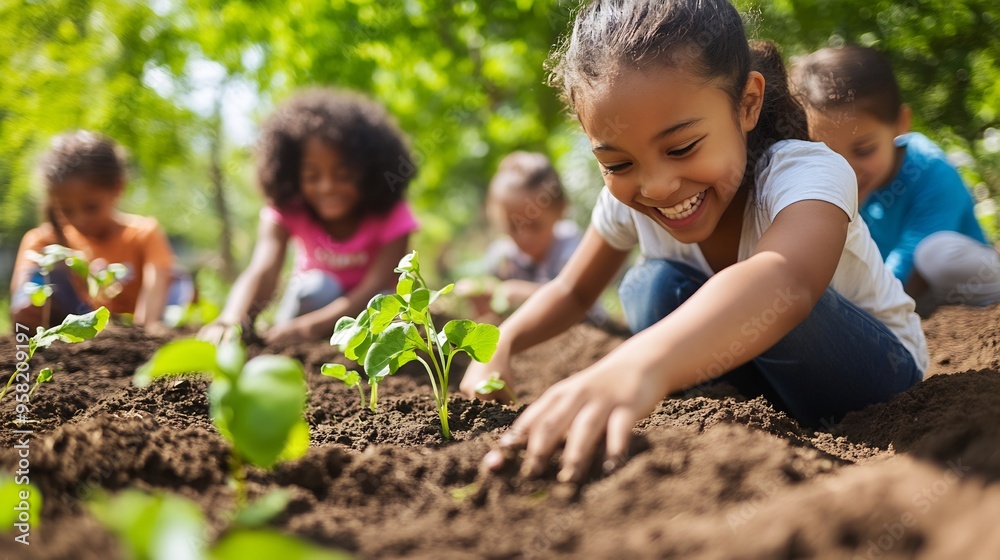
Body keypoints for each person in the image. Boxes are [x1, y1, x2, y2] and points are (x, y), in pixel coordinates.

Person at [459, 0, 927, 483]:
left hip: (876, 382)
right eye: (618, 164)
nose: (656, 185)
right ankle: (728, 410)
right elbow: (572, 291)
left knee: (760, 300)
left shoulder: (806, 172)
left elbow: (786, 282)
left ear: (746, 104)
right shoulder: (627, 203)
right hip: (763, 387)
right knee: (651, 283)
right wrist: (501, 344)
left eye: (681, 147)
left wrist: (638, 365)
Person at [792, 44, 1000, 316]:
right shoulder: (826, 184)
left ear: (901, 123)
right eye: (828, 155)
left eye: (864, 150)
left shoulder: (930, 170)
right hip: (908, 299)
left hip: (955, 282)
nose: (847, 170)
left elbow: (908, 258)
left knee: (935, 255)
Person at [200, 89, 418, 345]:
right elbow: (263, 269)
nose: (327, 187)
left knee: (388, 304)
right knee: (318, 287)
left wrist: (310, 329)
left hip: (363, 312)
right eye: (312, 177)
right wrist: (232, 318)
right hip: (311, 304)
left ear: (369, 173)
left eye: (343, 175)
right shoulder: (289, 210)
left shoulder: (392, 214)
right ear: (292, 176)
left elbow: (376, 286)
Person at [11, 130, 174, 330]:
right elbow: (23, 302)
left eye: (91, 207)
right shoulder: (43, 243)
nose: (81, 219)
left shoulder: (143, 234)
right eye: (66, 210)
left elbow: (149, 317)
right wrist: (29, 307)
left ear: (117, 188)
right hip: (71, 335)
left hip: (128, 336)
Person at [455, 151, 603, 321]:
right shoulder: (501, 256)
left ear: (561, 211)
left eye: (535, 225)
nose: (524, 237)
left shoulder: (573, 249)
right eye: (513, 225)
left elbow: (582, 301)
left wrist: (522, 294)